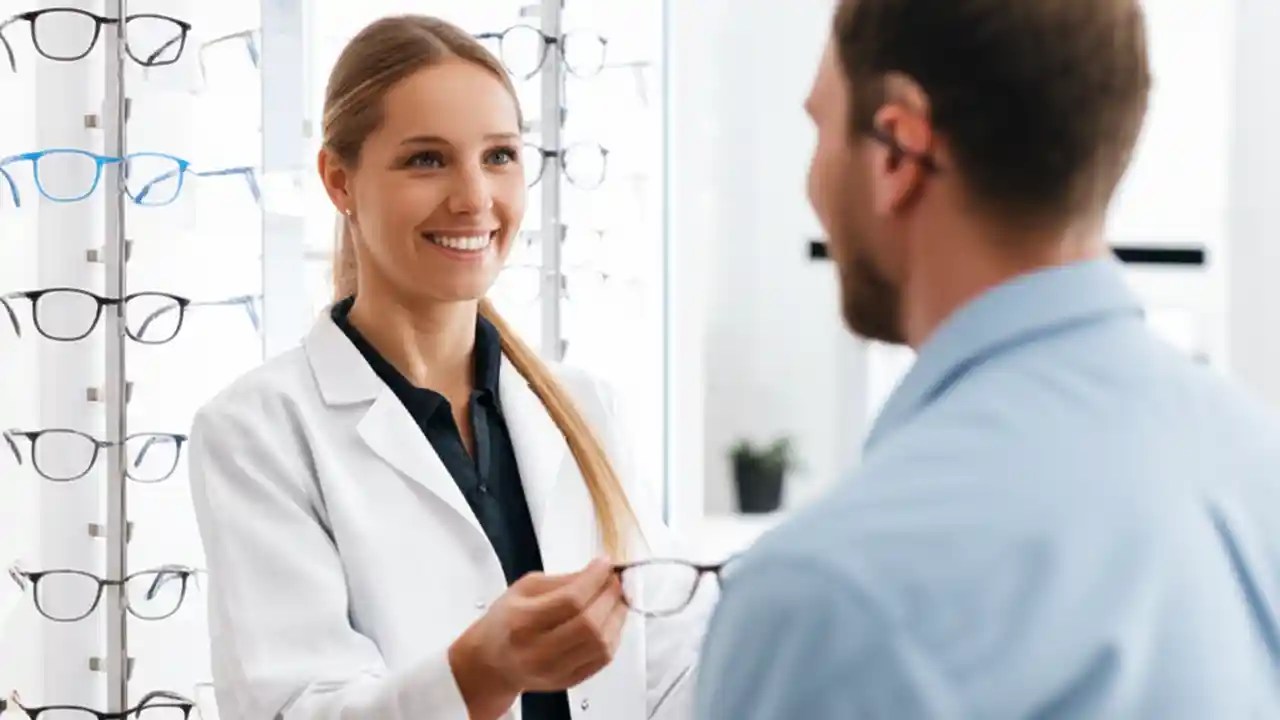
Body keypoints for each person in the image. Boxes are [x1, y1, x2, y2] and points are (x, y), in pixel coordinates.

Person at [697, 1, 1280, 718]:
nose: (811, 183)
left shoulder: (830, 596)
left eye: (820, 128)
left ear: (895, 148)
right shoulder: (1255, 462)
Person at [188, 15, 709, 720]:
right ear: (339, 181)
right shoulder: (259, 432)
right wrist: (477, 672)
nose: (474, 198)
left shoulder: (585, 408)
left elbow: (674, 667)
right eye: (427, 160)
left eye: (499, 156)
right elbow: (293, 709)